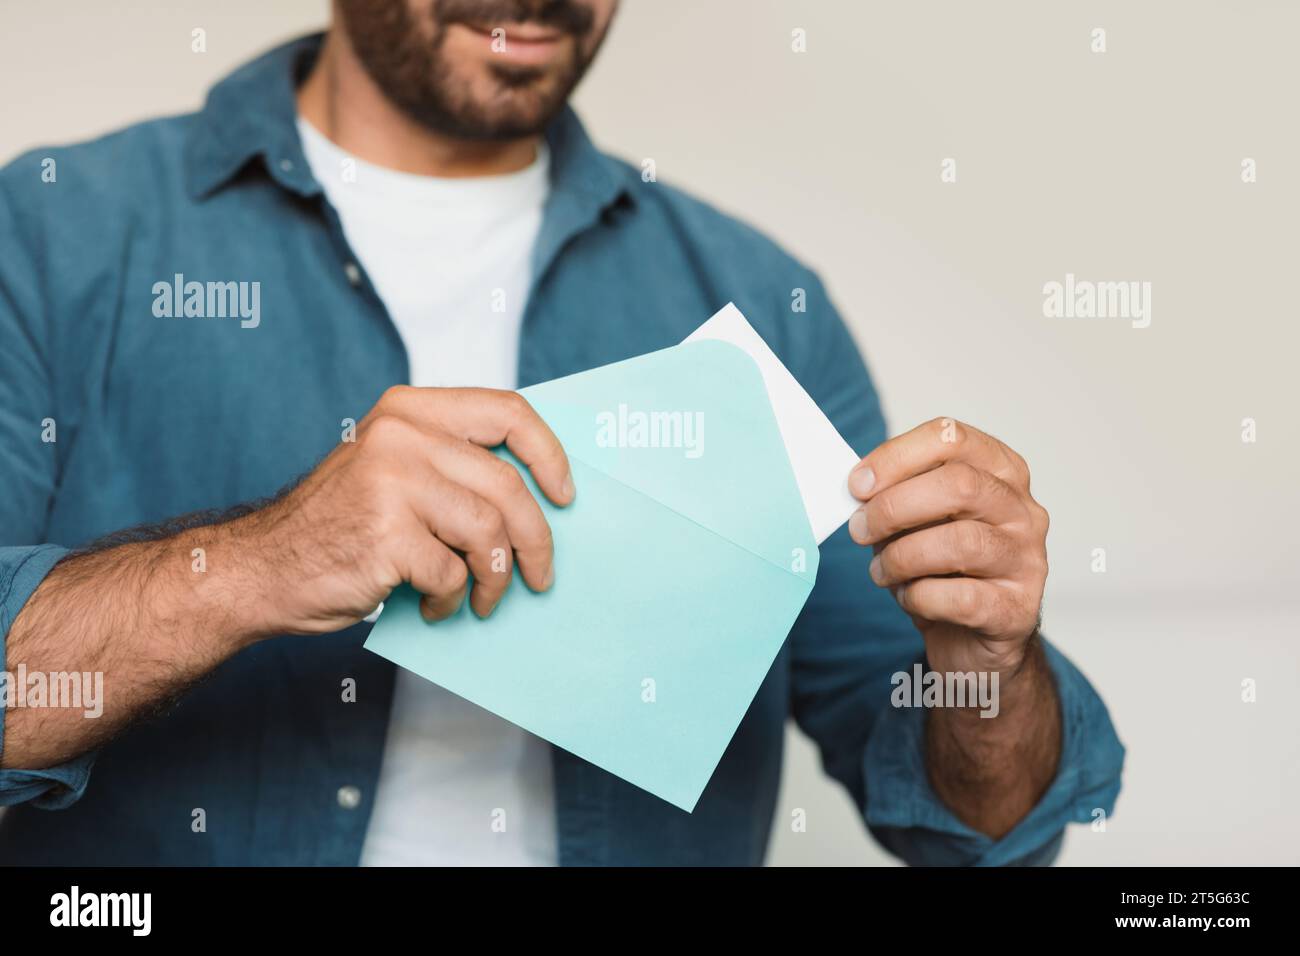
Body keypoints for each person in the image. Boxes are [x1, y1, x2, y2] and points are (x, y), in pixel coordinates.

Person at [0, 0, 1122, 865]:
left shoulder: (754, 300)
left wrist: (986, 664)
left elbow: (969, 829)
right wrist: (264, 561)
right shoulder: (51, 237)